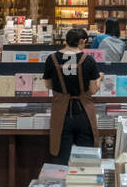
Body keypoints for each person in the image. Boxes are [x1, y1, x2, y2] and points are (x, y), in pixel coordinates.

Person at [42, 28, 102, 164]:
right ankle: (84, 184)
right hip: (84, 112)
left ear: (66, 41)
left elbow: (48, 85)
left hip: (61, 113)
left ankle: (62, 183)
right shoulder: (89, 60)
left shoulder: (52, 59)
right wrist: (99, 79)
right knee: (86, 159)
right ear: (81, 41)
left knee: (61, 157)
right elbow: (93, 89)